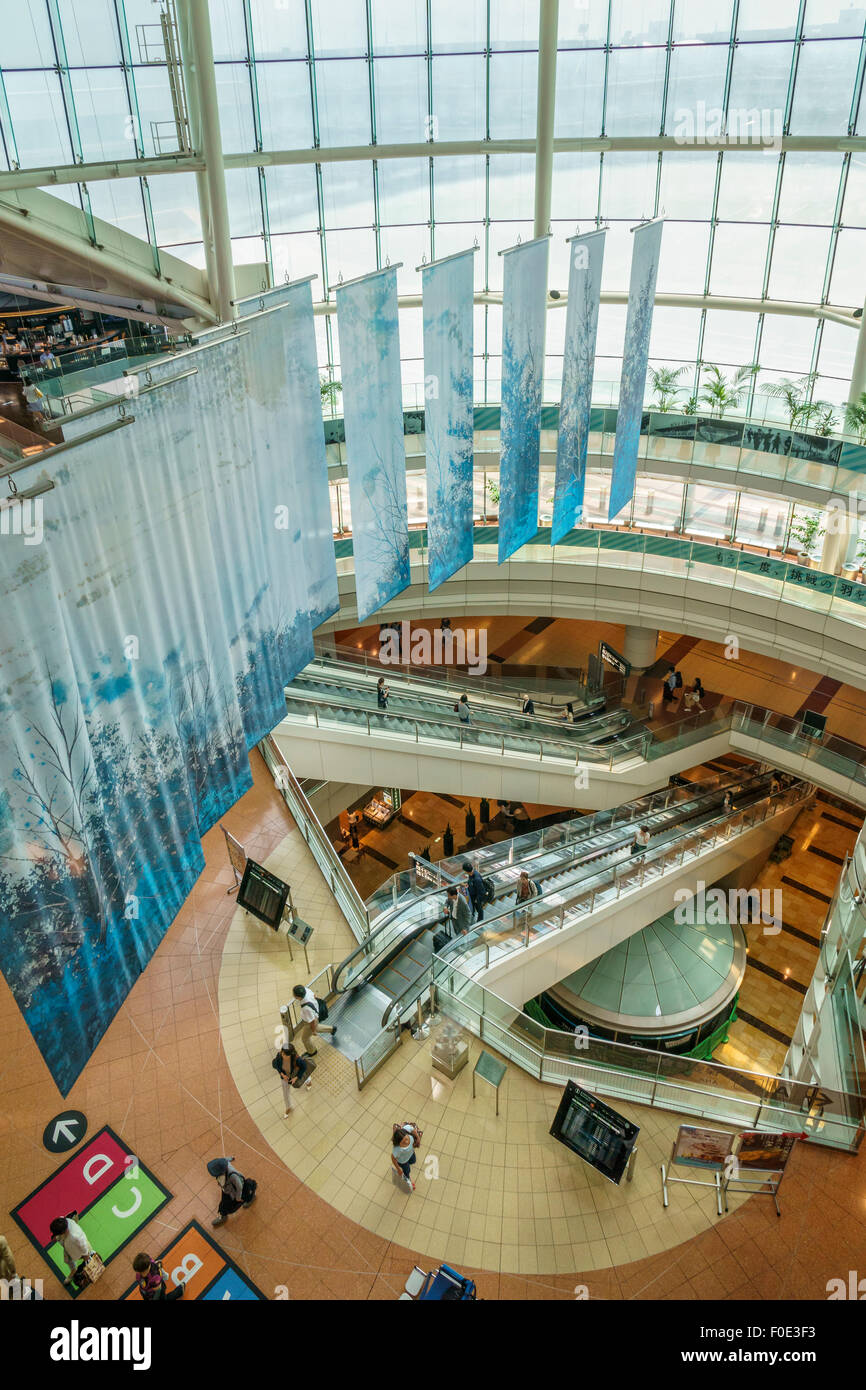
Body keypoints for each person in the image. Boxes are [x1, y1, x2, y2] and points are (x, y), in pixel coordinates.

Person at [207, 1156, 256, 1228]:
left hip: (236, 1190)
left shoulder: (233, 1176)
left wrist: (238, 1198)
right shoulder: (223, 1164)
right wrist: (231, 1158)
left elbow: (239, 1186)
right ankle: (223, 1215)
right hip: (227, 1189)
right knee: (223, 1204)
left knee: (244, 1196)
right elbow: (225, 1160)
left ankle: (251, 1198)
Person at [49, 1213, 95, 1287]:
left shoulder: (75, 1236)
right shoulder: (63, 1220)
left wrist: (86, 1254)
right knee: (68, 1260)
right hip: (69, 1249)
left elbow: (83, 1245)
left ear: (63, 1232)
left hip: (80, 1250)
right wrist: (56, 1237)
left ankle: (93, 1254)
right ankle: (73, 1270)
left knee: (89, 1254)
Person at [292, 982, 337, 1055]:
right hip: (315, 1013)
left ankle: (312, 1051)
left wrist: (313, 1031)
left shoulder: (306, 1008)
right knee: (317, 1027)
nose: (293, 995)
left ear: (298, 997)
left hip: (310, 1020)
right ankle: (332, 1029)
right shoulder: (306, 990)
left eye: (294, 994)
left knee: (305, 1039)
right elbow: (315, 995)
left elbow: (312, 1021)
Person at [273, 1042, 314, 1116]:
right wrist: (282, 1074)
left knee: (304, 1077)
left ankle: (308, 1081)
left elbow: (304, 1067)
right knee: (285, 1093)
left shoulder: (297, 1060)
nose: (282, 1055)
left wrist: (296, 1077)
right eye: (282, 1053)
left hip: (294, 1075)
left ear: (290, 1055)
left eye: (285, 1055)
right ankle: (288, 1107)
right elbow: (276, 1064)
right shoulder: (279, 1055)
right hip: (285, 1078)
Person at [391, 1122, 423, 1192]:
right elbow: (393, 1158)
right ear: (398, 1142)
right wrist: (398, 1169)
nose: (406, 1142)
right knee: (407, 1171)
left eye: (406, 1139)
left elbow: (412, 1130)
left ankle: (400, 1126)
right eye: (403, 1142)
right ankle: (408, 1180)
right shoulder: (397, 1149)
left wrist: (418, 1138)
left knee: (413, 1161)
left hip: (411, 1154)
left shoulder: (407, 1130)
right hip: (403, 1162)